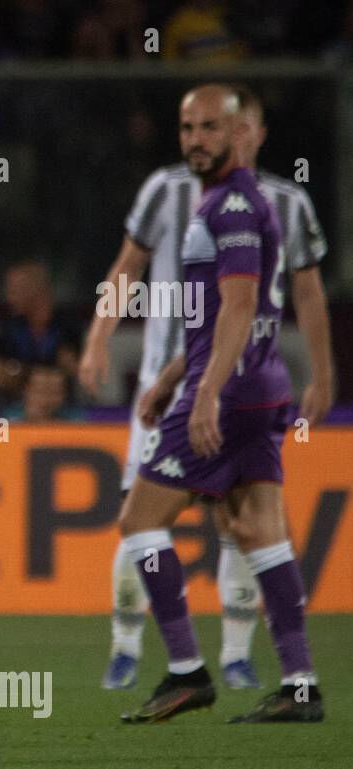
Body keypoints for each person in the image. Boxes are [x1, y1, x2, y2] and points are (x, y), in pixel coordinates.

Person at [80, 84, 333, 692]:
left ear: (250, 132)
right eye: (188, 127)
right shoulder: (169, 191)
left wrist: (319, 373)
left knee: (153, 517)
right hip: (194, 375)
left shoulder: (261, 202)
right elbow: (127, 267)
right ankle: (134, 647)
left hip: (215, 383)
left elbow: (282, 297)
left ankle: (212, 662)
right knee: (254, 523)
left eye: (212, 127)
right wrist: (99, 339)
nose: (197, 139)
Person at [0, 259, 80, 408]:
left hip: (62, 409)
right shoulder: (9, 327)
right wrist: (33, 377)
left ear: (37, 290)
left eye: (16, 290)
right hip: (17, 408)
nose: (9, 297)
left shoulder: (67, 325)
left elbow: (78, 372)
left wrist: (17, 372)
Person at [5, 363, 80, 423]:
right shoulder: (6, 419)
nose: (46, 398)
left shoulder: (74, 421)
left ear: (64, 395)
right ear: (25, 390)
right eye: (40, 391)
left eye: (54, 392)